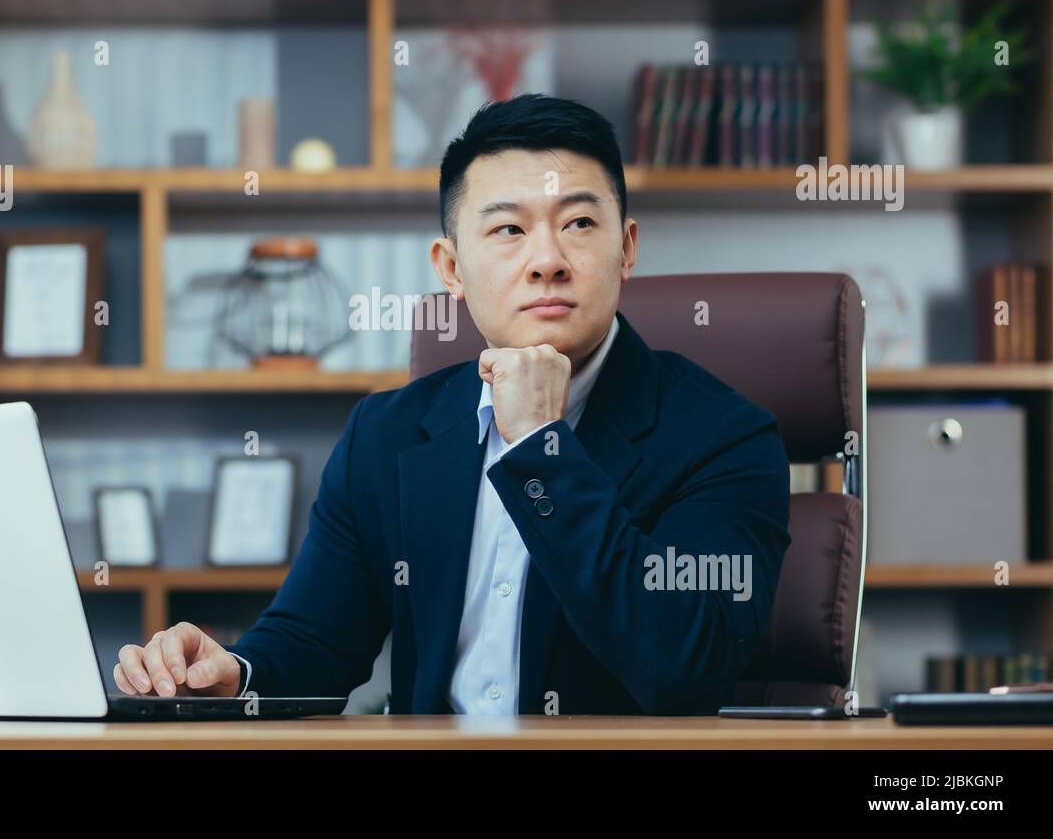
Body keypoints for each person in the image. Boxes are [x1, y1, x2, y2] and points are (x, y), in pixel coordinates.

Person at [114, 93, 791, 715]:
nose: (547, 260)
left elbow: (684, 666)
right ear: (451, 268)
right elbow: (315, 646)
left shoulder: (726, 436)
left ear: (627, 249)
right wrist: (236, 674)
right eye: (507, 230)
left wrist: (539, 448)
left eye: (579, 222)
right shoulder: (387, 434)